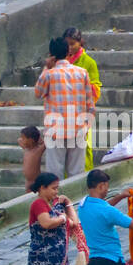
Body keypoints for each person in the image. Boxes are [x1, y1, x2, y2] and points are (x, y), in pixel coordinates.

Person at [35, 36, 95, 179]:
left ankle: (56, 202)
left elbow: (38, 93)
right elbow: (90, 105)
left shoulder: (49, 74)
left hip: (56, 131)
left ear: (51, 54)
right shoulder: (82, 73)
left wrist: (45, 68)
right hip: (78, 129)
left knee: (54, 176)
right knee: (77, 174)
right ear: (68, 51)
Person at [64, 27, 102, 170]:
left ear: (80, 43)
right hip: (64, 113)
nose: (70, 48)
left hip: (82, 112)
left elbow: (96, 89)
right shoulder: (60, 60)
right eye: (67, 44)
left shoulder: (89, 62)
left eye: (73, 44)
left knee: (84, 149)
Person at [20, 125, 46, 193]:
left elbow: (46, 143)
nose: (21, 140)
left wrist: (40, 140)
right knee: (28, 197)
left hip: (36, 180)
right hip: (28, 181)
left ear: (31, 140)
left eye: (23, 138)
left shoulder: (37, 151)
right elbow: (18, 140)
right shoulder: (26, 148)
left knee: (36, 197)